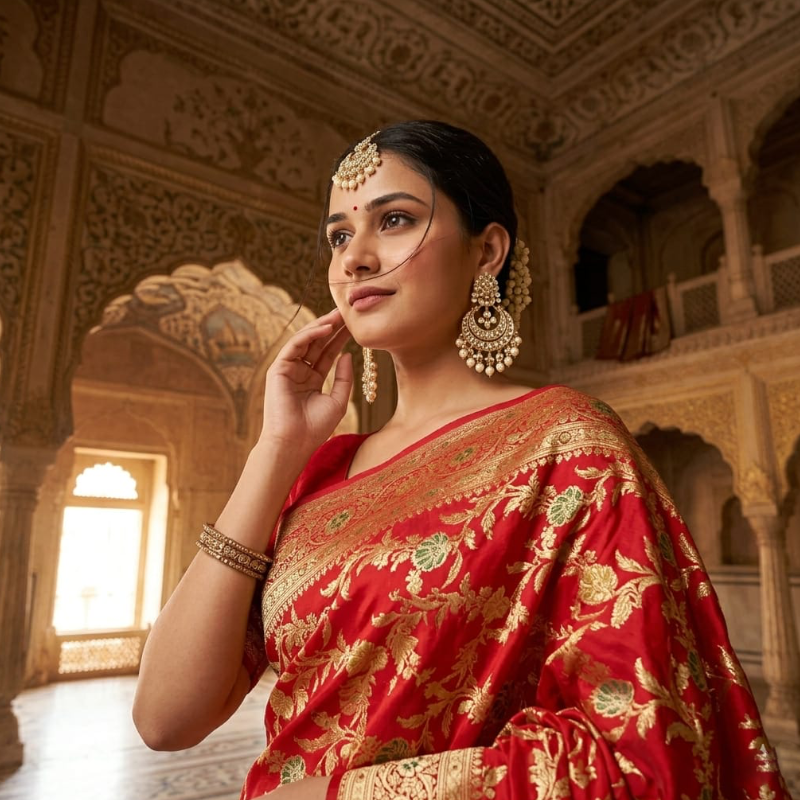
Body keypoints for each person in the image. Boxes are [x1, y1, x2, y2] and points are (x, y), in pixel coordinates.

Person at [133, 121, 791, 800]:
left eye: (393, 220)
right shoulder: (316, 472)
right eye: (337, 235)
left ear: (487, 252)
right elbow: (164, 717)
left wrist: (344, 795)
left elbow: (644, 758)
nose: (353, 259)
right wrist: (275, 451)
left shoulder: (566, 445)